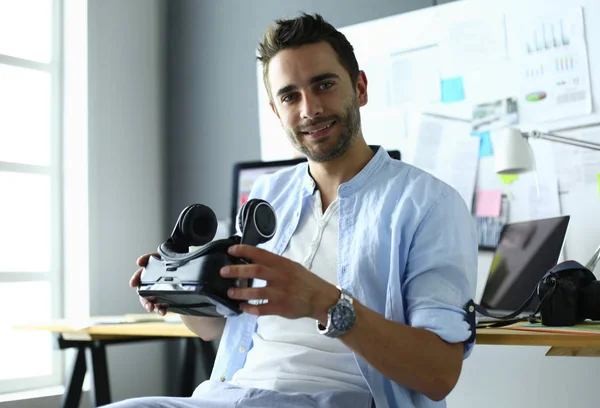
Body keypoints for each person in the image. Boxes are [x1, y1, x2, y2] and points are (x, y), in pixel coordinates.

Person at [111, 12, 477, 408]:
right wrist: (180, 293)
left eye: (324, 85)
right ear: (276, 111)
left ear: (360, 87)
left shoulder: (428, 204)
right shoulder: (270, 193)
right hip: (228, 395)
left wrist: (325, 302)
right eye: (290, 96)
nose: (310, 109)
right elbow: (216, 327)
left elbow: (439, 373)